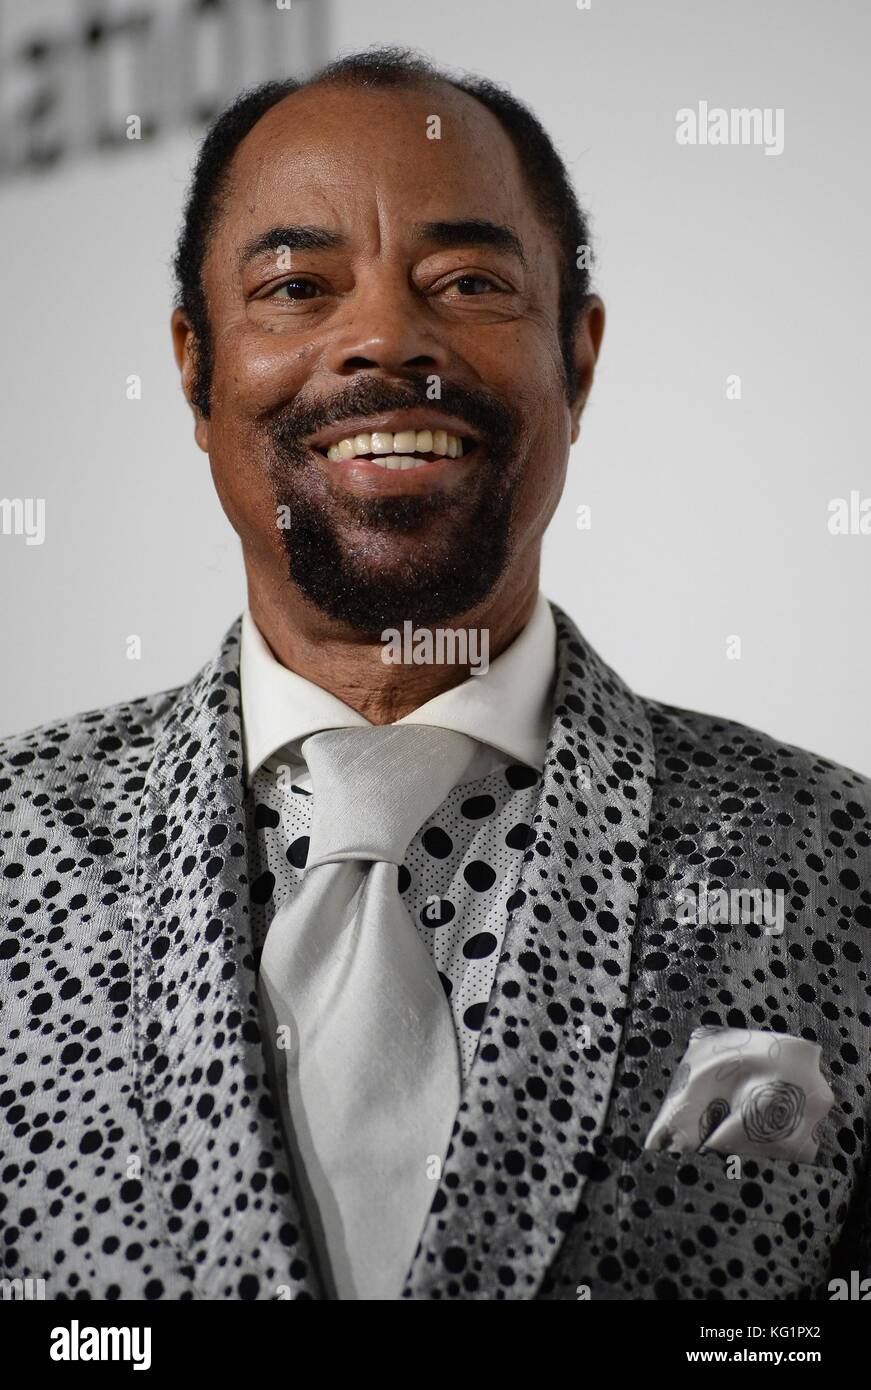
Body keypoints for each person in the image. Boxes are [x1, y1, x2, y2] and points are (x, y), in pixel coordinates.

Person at [1, 48, 868, 1302]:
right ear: (195, 366)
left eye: (467, 283)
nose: (383, 339)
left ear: (578, 358)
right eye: (297, 286)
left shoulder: (835, 860)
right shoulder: (18, 840)